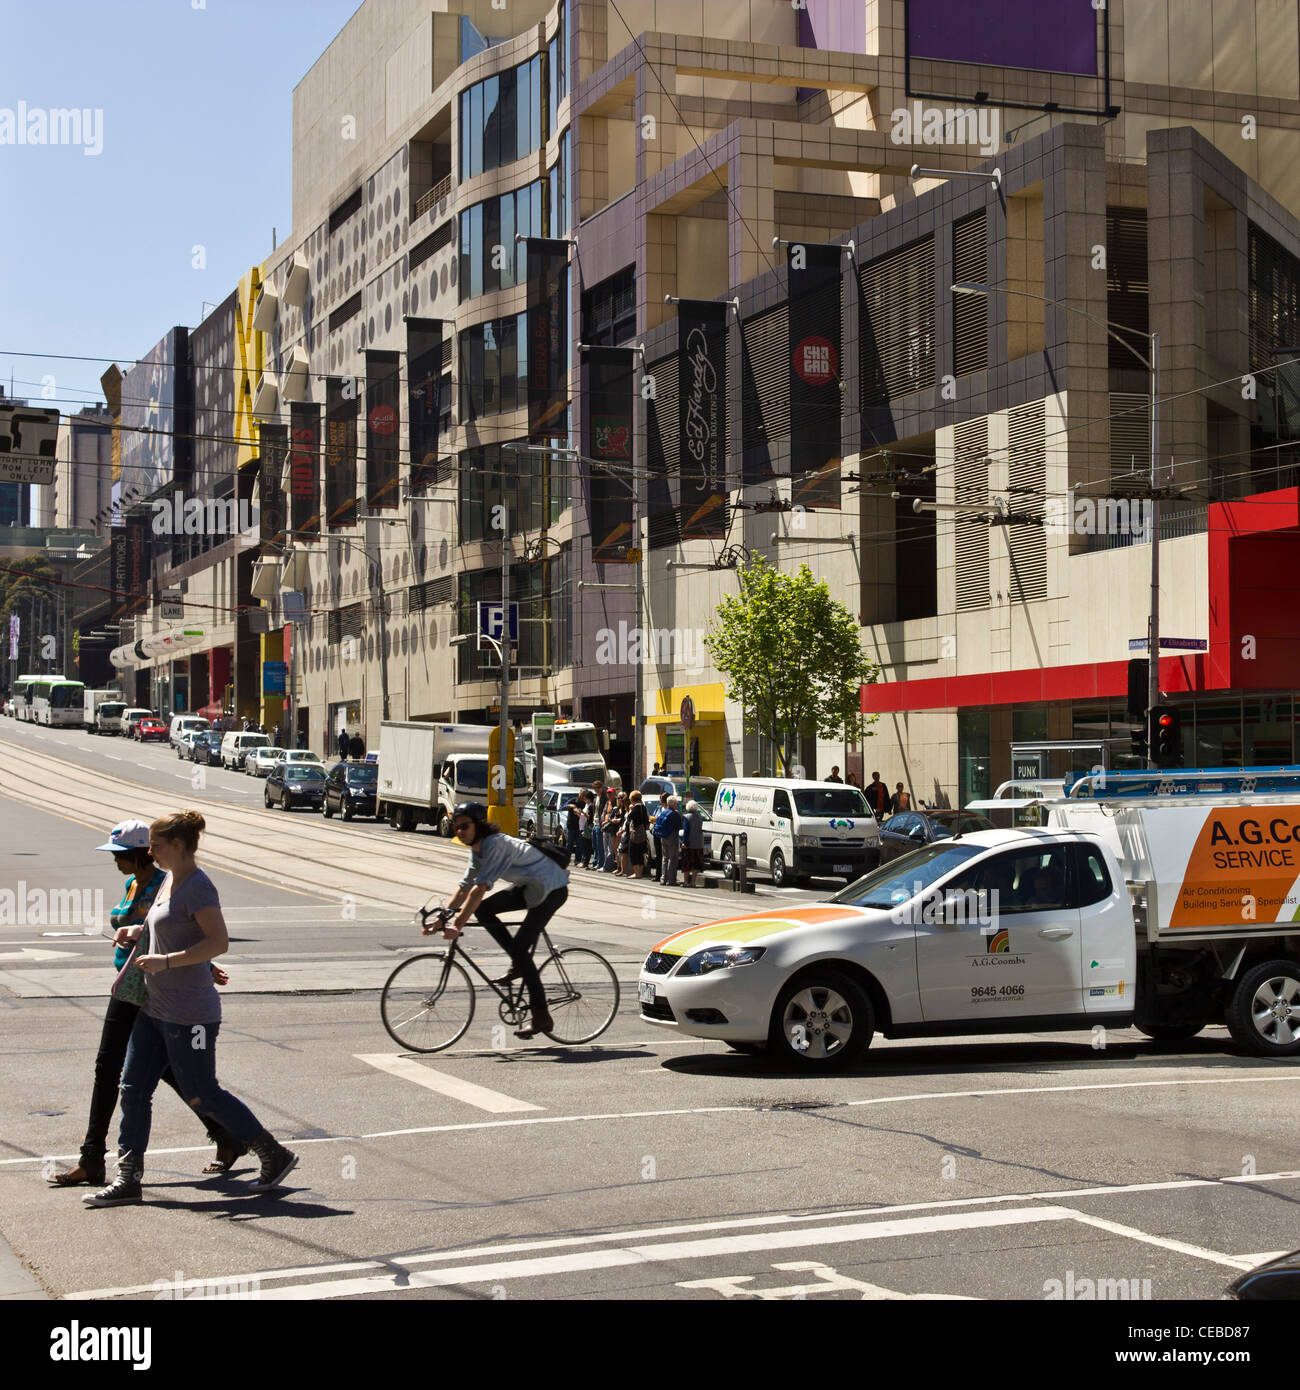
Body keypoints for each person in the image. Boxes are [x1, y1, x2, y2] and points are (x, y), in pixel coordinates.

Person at [83, 811, 298, 1207]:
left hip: (190, 1013)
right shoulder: (167, 880)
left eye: (156, 845)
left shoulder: (198, 886)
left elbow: (218, 942)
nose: (149, 852)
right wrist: (138, 932)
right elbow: (163, 926)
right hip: (153, 1007)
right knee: (132, 1088)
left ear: (177, 845)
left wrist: (168, 962)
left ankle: (274, 1153)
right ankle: (128, 1178)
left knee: (202, 1093)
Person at [51, 820, 242, 1189]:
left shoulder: (164, 884)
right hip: (128, 985)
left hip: (155, 990)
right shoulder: (131, 884)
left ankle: (230, 1136)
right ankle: (94, 1157)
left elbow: (182, 933)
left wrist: (205, 964)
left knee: (146, 1073)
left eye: (121, 854)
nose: (115, 861)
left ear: (141, 852)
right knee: (126, 1069)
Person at [440, 801, 568, 1039]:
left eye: (464, 826)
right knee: (484, 911)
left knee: (519, 948)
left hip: (551, 889)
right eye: (456, 827)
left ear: (478, 825)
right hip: (530, 887)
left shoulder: (494, 845)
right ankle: (518, 962)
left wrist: (456, 925)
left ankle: (541, 1016)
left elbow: (479, 889)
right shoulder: (477, 849)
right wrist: (443, 916)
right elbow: (464, 887)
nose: (459, 831)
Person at [681, 799, 706, 887]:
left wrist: (684, 842)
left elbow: (686, 831)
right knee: (696, 864)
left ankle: (686, 882)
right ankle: (693, 882)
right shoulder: (699, 816)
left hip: (689, 843)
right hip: (699, 842)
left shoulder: (686, 817)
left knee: (687, 863)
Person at [658, 795, 683, 885]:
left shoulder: (663, 812)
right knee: (672, 859)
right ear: (673, 804)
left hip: (663, 836)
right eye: (676, 803)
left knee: (665, 858)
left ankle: (663, 879)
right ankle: (671, 880)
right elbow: (680, 826)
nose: (677, 805)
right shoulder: (675, 814)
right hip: (672, 836)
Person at [625, 790, 649, 879]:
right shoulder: (644, 807)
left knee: (633, 853)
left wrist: (630, 809)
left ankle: (636, 873)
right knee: (641, 853)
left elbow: (629, 817)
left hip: (635, 834)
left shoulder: (635, 808)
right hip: (642, 834)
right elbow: (646, 821)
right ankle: (640, 873)